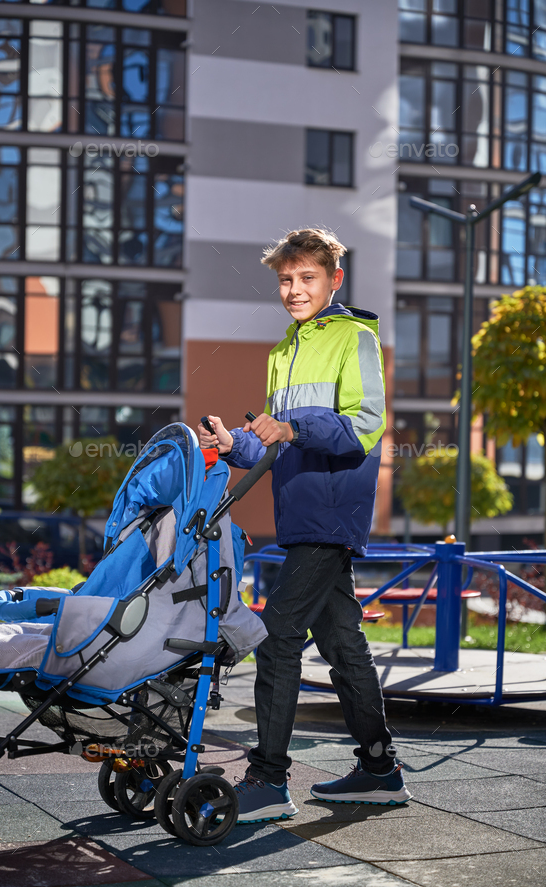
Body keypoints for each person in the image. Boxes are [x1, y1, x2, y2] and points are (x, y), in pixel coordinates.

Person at [198, 228, 411, 823]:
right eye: (286, 281)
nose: (293, 290)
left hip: (330, 513)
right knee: (345, 650)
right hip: (300, 514)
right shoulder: (283, 350)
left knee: (279, 639)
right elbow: (276, 444)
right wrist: (236, 442)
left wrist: (291, 428)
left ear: (334, 279)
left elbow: (364, 426)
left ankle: (268, 779)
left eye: (306, 278)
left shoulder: (354, 336)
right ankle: (379, 770)